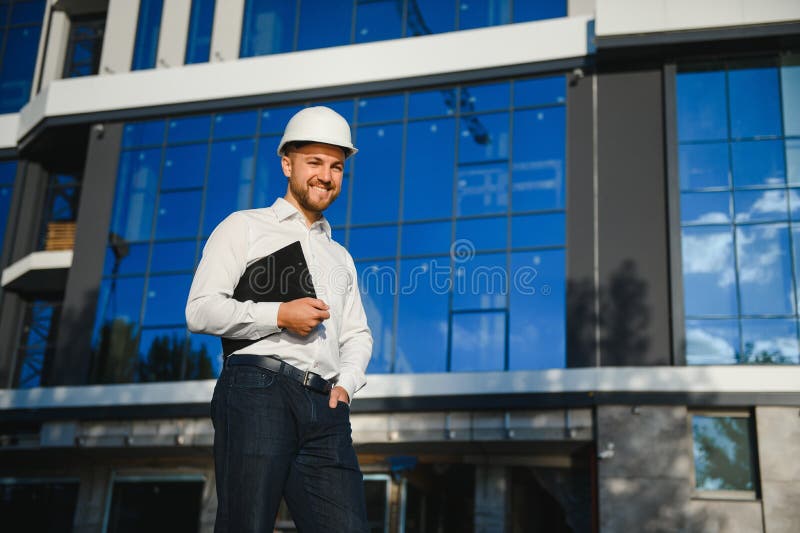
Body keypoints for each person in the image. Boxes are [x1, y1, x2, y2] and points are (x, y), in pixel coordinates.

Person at [186, 106, 373, 532]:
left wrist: (346, 385)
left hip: (325, 406)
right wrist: (279, 315)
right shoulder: (244, 227)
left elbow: (358, 333)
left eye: (336, 167)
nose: (326, 176)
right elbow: (199, 310)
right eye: (314, 162)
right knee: (246, 523)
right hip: (258, 390)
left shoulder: (340, 256)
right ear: (287, 163)